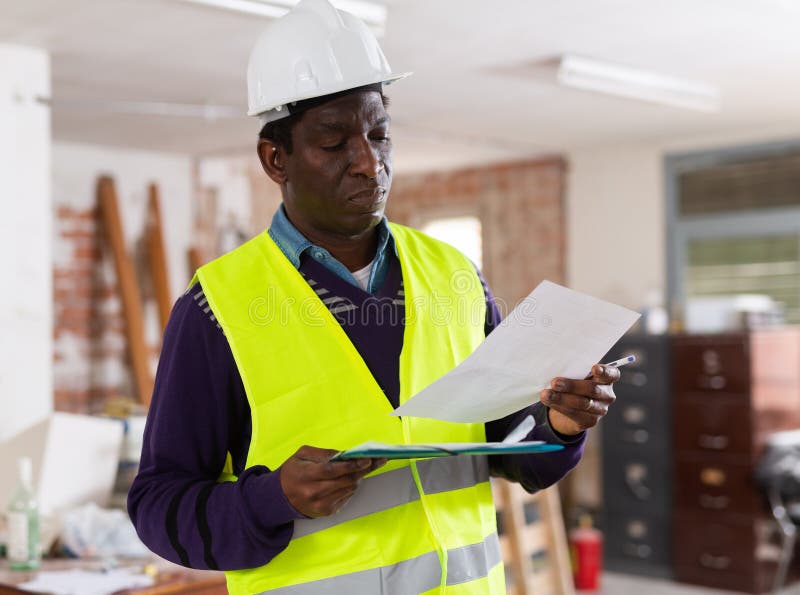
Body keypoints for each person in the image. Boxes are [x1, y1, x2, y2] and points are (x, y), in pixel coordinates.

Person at [128, 1, 620, 593]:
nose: (369, 163)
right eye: (335, 143)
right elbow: (159, 505)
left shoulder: (454, 275)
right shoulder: (217, 309)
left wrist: (562, 425)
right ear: (275, 159)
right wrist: (269, 498)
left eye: (379, 134)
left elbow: (513, 450)